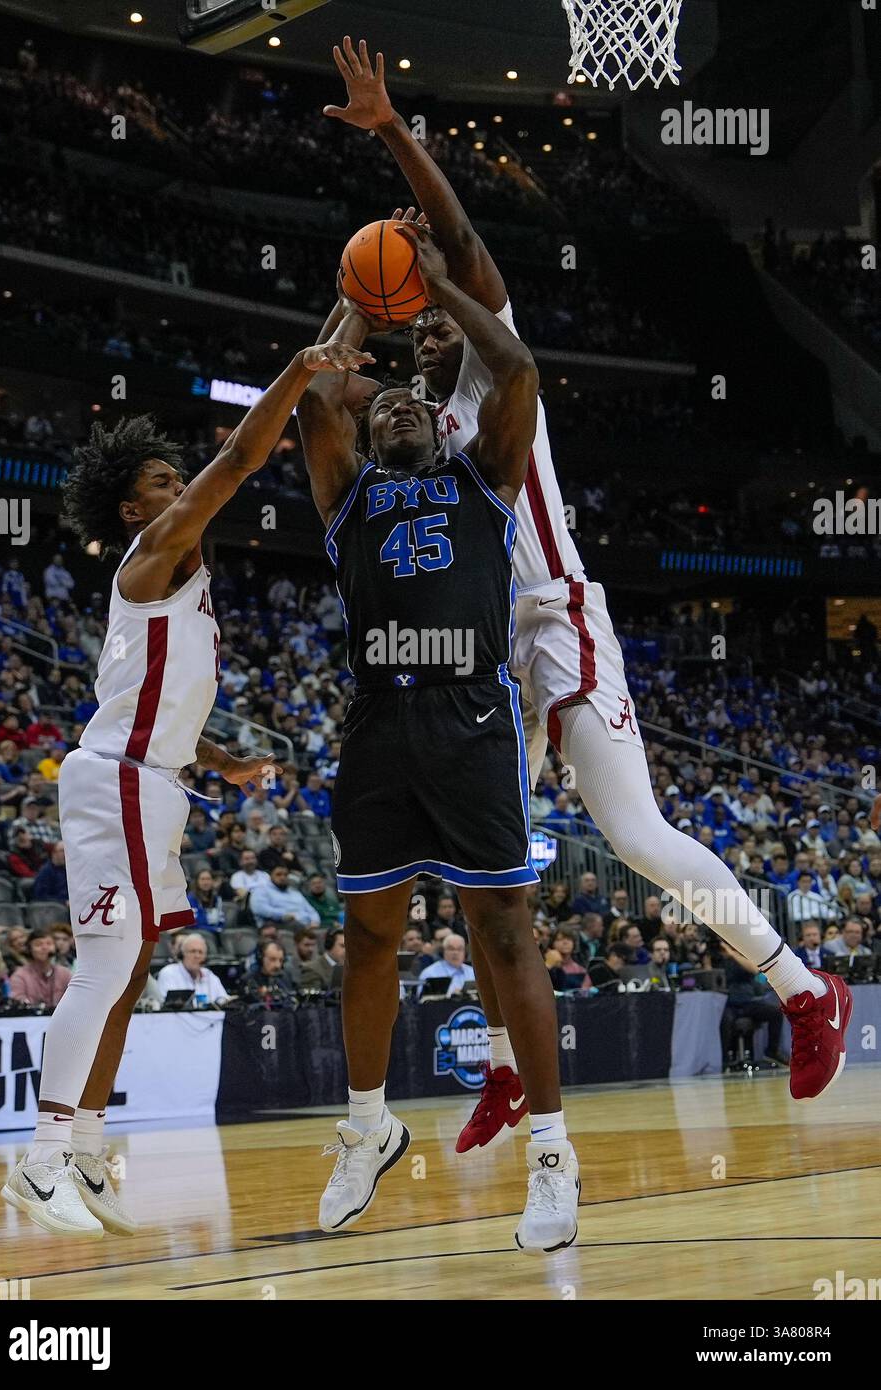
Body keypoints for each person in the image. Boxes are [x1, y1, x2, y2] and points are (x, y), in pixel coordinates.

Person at [321, 35, 851, 1136]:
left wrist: (393, 138)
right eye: (411, 319)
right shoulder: (399, 427)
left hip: (554, 618)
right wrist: (364, 302)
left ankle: (805, 988)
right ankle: (511, 1068)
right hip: (475, 663)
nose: (424, 325)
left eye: (435, 313)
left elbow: (463, 243)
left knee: (633, 833)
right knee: (483, 879)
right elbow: (327, 379)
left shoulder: (495, 376)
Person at [2, 334, 363, 1239]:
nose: (181, 488)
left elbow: (156, 706)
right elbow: (242, 458)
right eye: (165, 481)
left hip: (152, 780)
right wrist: (305, 369)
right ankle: (38, 1162)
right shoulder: (155, 550)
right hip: (117, 782)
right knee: (102, 970)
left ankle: (85, 1144)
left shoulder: (181, 590)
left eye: (176, 479)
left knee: (126, 979)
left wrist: (222, 761)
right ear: (135, 509)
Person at [299, 214, 577, 1253]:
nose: (406, 407)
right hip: (376, 720)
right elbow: (319, 389)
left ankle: (553, 1157)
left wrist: (430, 284)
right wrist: (362, 303)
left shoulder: (483, 477)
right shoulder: (344, 495)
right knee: (367, 937)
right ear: (370, 438)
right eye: (389, 409)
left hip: (468, 711)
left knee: (504, 932)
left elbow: (512, 367)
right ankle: (367, 1127)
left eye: (420, 403)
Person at [156, 933, 229, 1005]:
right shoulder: (169, 973)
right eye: (192, 951)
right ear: (182, 954)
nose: (197, 956)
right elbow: (163, 1005)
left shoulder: (209, 975)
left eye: (200, 952)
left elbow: (224, 1000)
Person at [9, 928, 72, 1007]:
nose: (44, 948)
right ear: (29, 950)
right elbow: (17, 1001)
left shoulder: (65, 973)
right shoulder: (19, 975)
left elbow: (75, 998)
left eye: (49, 944)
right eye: (38, 944)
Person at [249, 865, 320, 929]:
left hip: (305, 925)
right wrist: (283, 915)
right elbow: (260, 909)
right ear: (271, 876)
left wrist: (315, 921)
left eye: (285, 875)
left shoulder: (295, 893)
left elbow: (311, 910)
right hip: (278, 924)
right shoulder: (261, 891)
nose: (283, 877)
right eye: (278, 875)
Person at [187, 868, 228, 936]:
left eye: (208, 879)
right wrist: (213, 929)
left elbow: (221, 921)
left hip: (216, 933)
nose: (206, 882)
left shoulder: (217, 899)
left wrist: (219, 929)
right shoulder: (191, 899)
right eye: (202, 879)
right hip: (198, 933)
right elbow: (194, 924)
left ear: (212, 881)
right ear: (197, 882)